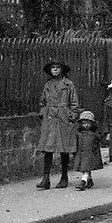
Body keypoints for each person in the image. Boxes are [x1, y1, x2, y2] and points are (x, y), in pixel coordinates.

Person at [35, 60, 79, 190]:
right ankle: (46, 179)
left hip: (63, 117)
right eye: (53, 67)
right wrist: (44, 112)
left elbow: (74, 102)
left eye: (57, 67)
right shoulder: (48, 84)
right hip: (50, 119)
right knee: (47, 148)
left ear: (62, 69)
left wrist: (71, 115)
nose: (55, 69)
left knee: (63, 148)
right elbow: (42, 101)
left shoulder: (68, 84)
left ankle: (64, 177)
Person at [73, 110, 103, 190]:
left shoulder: (94, 134)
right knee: (85, 168)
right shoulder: (78, 134)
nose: (86, 125)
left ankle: (83, 181)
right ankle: (89, 180)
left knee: (86, 168)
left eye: (88, 123)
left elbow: (98, 140)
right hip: (81, 154)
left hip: (90, 154)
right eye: (83, 123)